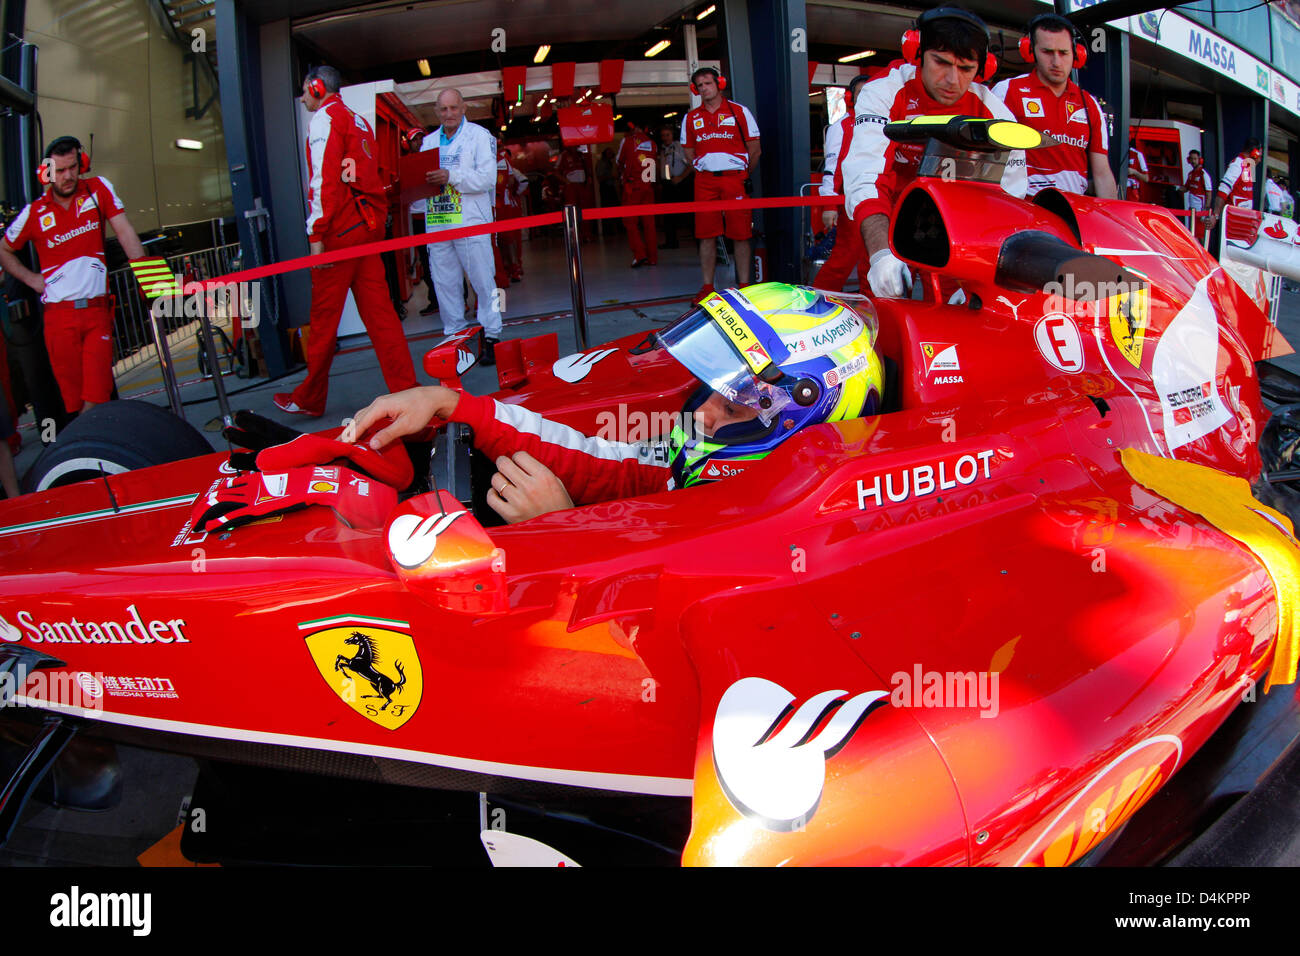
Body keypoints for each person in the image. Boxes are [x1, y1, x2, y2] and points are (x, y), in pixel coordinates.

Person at [346, 283, 883, 523]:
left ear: (796, 427)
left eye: (735, 407)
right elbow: (609, 466)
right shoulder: (695, 462)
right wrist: (453, 404)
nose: (702, 413)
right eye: (713, 388)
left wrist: (564, 532)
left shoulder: (773, 537)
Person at [841, 7, 1027, 298]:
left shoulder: (996, 113)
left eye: (966, 69)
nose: (952, 79)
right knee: (881, 307)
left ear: (982, 69)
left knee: (960, 318)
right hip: (887, 215)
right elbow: (866, 176)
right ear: (917, 54)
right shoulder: (883, 91)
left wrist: (984, 272)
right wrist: (879, 254)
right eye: (940, 62)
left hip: (957, 226)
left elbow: (1008, 199)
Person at [272, 68, 417, 417]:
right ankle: (408, 391)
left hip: (339, 233)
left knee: (323, 321)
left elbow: (323, 183)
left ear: (316, 87)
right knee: (382, 317)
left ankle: (309, 398)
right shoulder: (358, 120)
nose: (303, 98)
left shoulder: (326, 119)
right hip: (366, 229)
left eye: (304, 91)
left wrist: (316, 235)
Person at [0, 136, 147, 415]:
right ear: (47, 173)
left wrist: (149, 280)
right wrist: (32, 279)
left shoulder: (99, 189)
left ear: (82, 164)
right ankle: (87, 448)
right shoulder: (34, 212)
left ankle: (90, 447)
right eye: (60, 170)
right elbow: (3, 250)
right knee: (74, 402)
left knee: (96, 396)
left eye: (73, 167)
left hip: (96, 314)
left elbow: (125, 233)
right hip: (58, 319)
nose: (68, 176)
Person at [418, 88, 503, 364]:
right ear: (436, 111)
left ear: (463, 108)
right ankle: (456, 339)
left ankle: (491, 336)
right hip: (439, 221)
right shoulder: (428, 143)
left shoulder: (480, 137)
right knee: (445, 284)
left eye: (454, 108)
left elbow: (487, 179)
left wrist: (451, 175)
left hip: (471, 221)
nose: (449, 114)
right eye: (443, 109)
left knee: (483, 280)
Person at [991, 13, 1116, 199]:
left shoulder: (1089, 103)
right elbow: (987, 158)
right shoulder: (1007, 91)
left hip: (1073, 211)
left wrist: (1110, 221)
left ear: (1076, 54)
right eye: (1048, 52)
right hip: (1021, 208)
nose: (1056, 62)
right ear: (1031, 51)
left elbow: (1102, 173)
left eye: (1063, 53)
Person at [681, 66, 761, 302]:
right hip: (705, 182)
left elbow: (755, 151)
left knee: (741, 234)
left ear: (719, 84)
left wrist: (741, 175)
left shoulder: (739, 112)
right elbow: (688, 153)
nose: (704, 88)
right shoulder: (691, 117)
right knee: (706, 236)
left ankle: (744, 285)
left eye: (708, 83)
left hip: (735, 179)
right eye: (700, 85)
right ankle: (707, 287)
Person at [814, 73, 872, 292]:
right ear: (851, 97)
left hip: (879, 201)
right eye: (861, 92)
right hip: (852, 203)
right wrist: (830, 206)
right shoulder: (842, 126)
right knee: (843, 259)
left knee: (873, 261)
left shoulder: (884, 123)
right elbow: (831, 169)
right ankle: (818, 302)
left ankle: (874, 307)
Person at [615, 119, 659, 268]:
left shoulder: (627, 141)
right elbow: (655, 166)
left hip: (632, 187)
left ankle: (640, 255)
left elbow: (618, 161)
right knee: (649, 224)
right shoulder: (653, 143)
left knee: (630, 223)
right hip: (649, 186)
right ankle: (652, 257)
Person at [1207, 137, 1262, 233]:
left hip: (1243, 221)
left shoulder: (1249, 167)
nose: (1260, 160)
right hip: (1233, 222)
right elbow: (1223, 190)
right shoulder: (1237, 164)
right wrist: (1215, 215)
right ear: (1255, 153)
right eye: (1260, 155)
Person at [495, 146, 528, 283]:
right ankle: (507, 269)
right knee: (500, 241)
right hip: (492, 206)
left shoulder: (502, 161)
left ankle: (514, 268)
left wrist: (514, 194)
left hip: (503, 205)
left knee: (508, 239)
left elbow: (513, 180)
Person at [657, 124, 692, 249]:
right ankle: (671, 241)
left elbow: (691, 165)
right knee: (668, 216)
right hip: (667, 184)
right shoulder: (661, 150)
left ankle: (697, 240)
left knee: (689, 214)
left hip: (681, 183)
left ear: (672, 135)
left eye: (668, 135)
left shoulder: (679, 148)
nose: (665, 138)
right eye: (663, 135)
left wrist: (681, 177)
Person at [556, 145, 596, 241]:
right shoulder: (563, 155)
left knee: (585, 210)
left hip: (582, 185)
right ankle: (574, 236)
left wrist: (589, 179)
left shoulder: (581, 155)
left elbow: (588, 170)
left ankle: (587, 234)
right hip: (571, 187)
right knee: (572, 211)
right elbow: (556, 172)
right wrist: (567, 182)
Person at [1177, 149, 1213, 242]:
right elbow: (1186, 188)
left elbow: (1209, 193)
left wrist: (1205, 211)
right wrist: (1177, 188)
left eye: (1195, 159)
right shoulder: (1190, 174)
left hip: (1200, 211)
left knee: (1201, 236)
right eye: (1191, 159)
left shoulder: (1203, 174)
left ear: (1200, 160)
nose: (1193, 161)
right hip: (1192, 211)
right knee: (1193, 235)